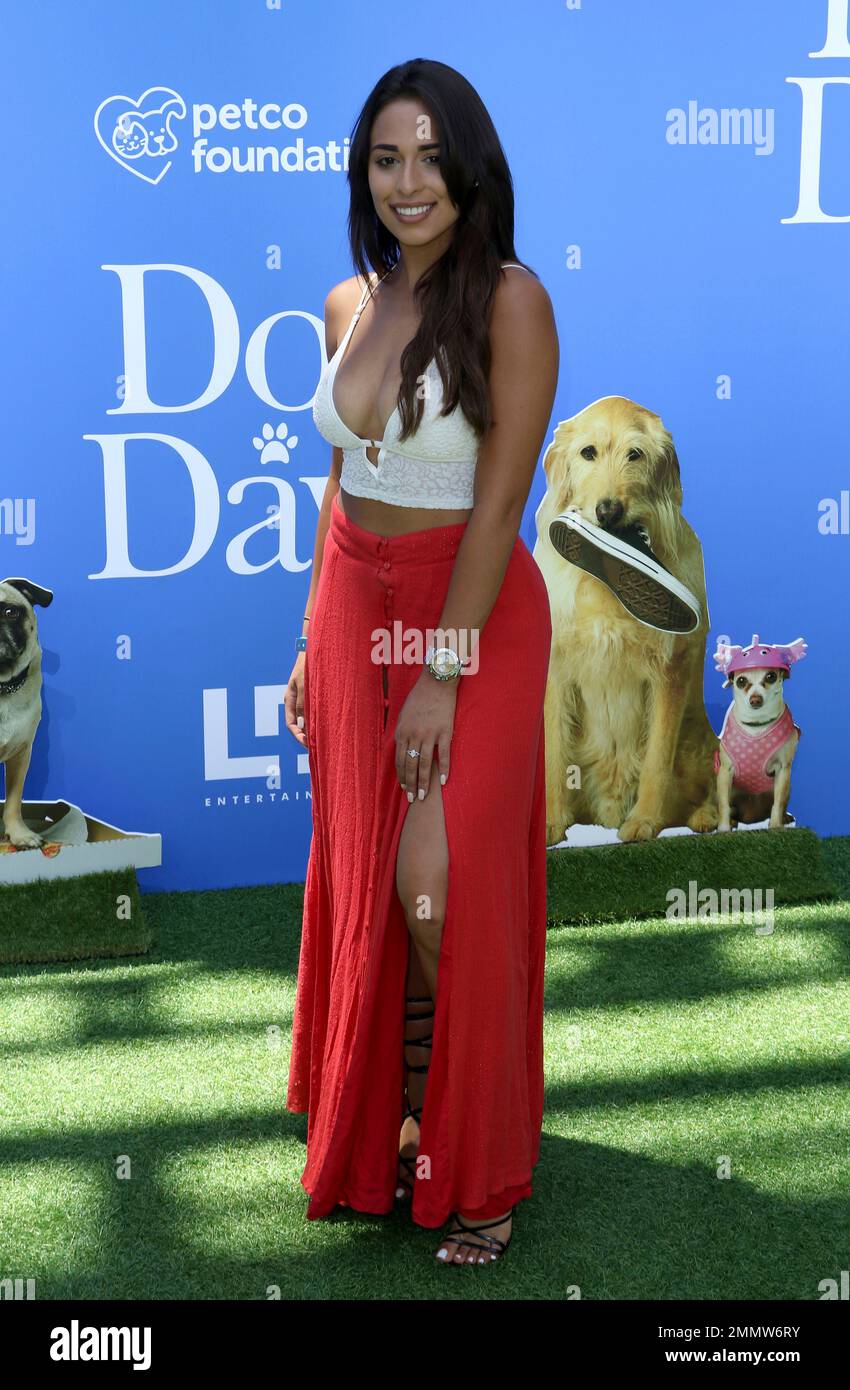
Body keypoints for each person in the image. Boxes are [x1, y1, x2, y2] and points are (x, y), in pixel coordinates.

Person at [284, 57, 558, 1267]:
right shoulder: (351, 304)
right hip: (353, 600)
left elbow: (500, 505)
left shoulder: (510, 299)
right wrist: (309, 638)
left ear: (470, 167)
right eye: (387, 158)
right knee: (369, 867)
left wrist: (442, 668)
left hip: (472, 606)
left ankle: (483, 1159)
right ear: (365, 175)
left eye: (430, 156)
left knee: (440, 885)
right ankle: (393, 1121)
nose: (409, 182)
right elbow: (339, 481)